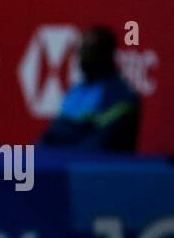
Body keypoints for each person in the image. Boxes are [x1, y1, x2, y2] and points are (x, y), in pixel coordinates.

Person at [39, 26, 140, 154]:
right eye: (82, 50)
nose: (83, 57)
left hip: (94, 168)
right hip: (60, 163)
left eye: (91, 51)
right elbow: (52, 135)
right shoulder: (75, 92)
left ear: (107, 55)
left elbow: (102, 143)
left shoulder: (121, 97)